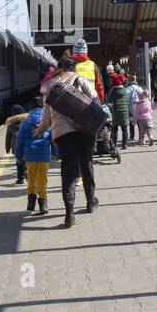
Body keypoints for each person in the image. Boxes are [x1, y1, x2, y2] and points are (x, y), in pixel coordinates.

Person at [34, 56, 99, 227]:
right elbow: (95, 101)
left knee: (68, 171)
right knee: (87, 164)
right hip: (85, 130)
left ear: (59, 68)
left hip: (63, 133)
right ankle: (91, 201)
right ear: (74, 68)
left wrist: (40, 130)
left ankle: (69, 213)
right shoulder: (81, 80)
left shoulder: (51, 86)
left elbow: (46, 117)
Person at [14, 95, 55, 215]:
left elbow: (19, 141)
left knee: (31, 176)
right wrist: (55, 153)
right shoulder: (47, 121)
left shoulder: (25, 122)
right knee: (42, 179)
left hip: (29, 156)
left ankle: (31, 201)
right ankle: (43, 203)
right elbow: (53, 138)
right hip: (43, 156)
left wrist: (18, 155)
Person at [4, 103, 29, 183]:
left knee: (19, 162)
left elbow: (8, 137)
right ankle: (27, 173)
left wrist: (7, 148)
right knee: (27, 161)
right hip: (26, 145)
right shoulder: (27, 121)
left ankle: (20, 179)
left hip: (16, 146)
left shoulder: (10, 124)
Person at [105, 72, 131, 149]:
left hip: (115, 113)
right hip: (124, 112)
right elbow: (127, 102)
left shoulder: (113, 92)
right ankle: (124, 144)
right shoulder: (125, 91)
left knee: (115, 130)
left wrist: (109, 110)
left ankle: (114, 144)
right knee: (125, 129)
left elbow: (110, 103)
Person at [132, 80, 155, 145]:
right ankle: (150, 137)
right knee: (149, 129)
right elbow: (151, 108)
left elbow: (136, 113)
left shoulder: (137, 105)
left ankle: (142, 141)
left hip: (141, 119)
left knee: (142, 131)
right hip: (149, 117)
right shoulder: (148, 102)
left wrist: (134, 121)